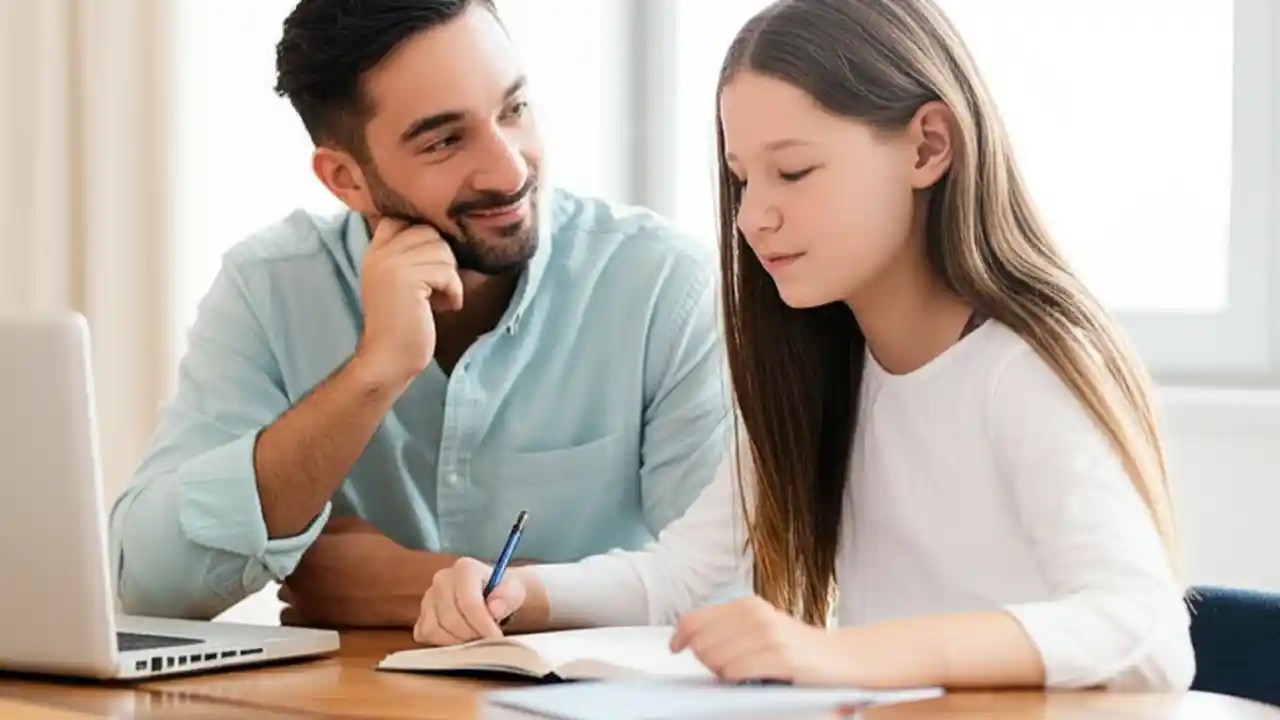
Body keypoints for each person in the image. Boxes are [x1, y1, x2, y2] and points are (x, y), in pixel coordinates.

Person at [412, 0, 1196, 692]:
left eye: (793, 171)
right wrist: (521, 595)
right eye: (742, 179)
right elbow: (688, 573)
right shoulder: (822, 370)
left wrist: (846, 654)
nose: (753, 218)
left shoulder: (1024, 366)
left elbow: (1145, 633)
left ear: (927, 147)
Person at [107, 0, 729, 628]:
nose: (509, 169)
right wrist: (374, 372)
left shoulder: (661, 286)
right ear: (346, 179)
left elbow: (732, 598)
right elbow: (146, 583)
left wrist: (411, 588)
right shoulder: (270, 289)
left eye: (513, 110)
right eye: (445, 140)